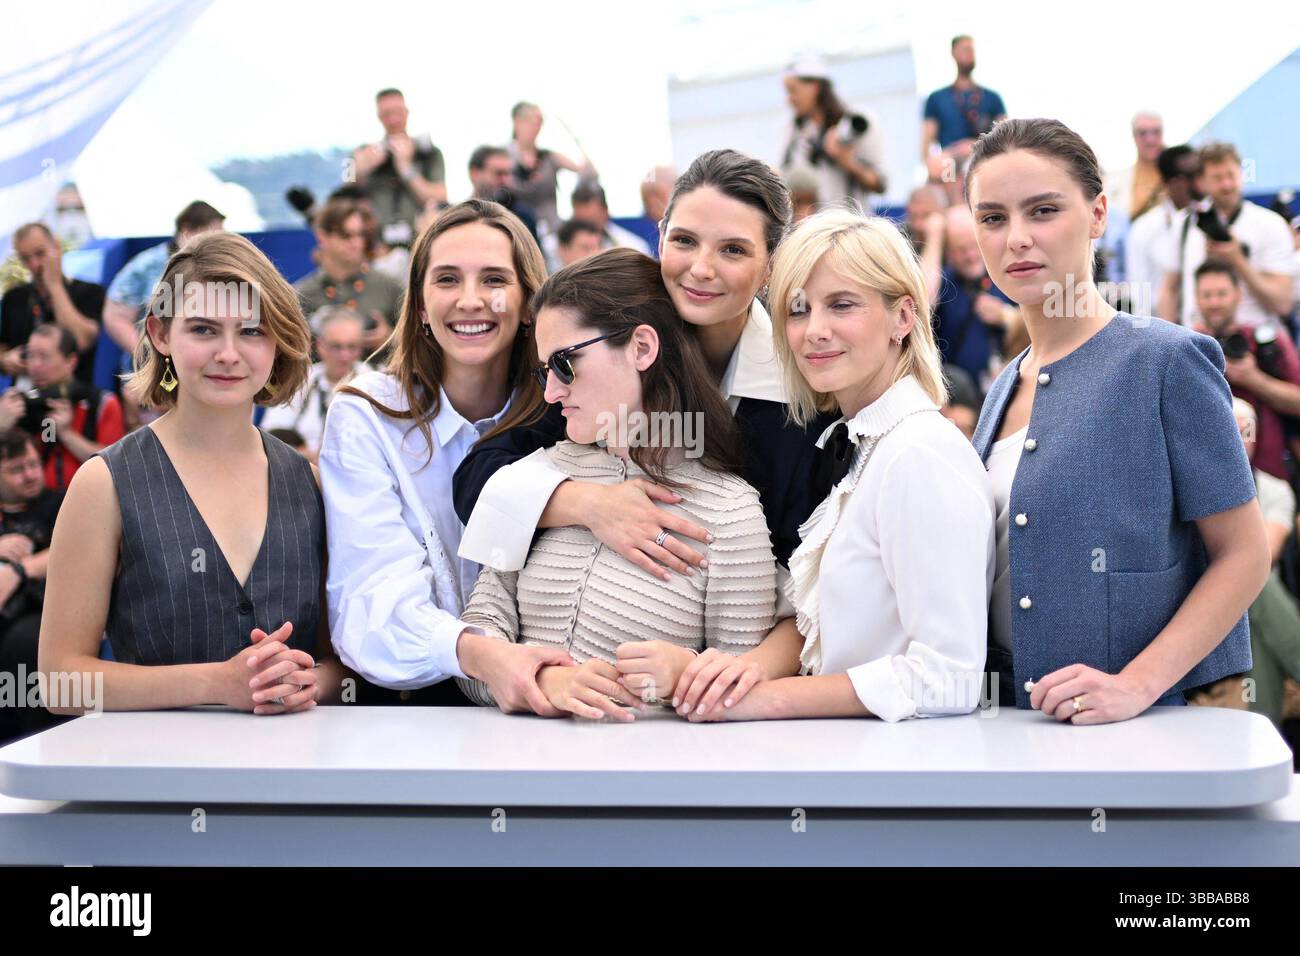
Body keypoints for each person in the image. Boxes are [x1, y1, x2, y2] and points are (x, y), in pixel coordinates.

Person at [454, 150, 832, 714]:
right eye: (683, 240)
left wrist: (718, 676)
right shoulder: (603, 343)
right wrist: (589, 503)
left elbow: (808, 596)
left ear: (773, 263)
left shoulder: (799, 401)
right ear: (658, 236)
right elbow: (477, 479)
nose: (700, 269)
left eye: (733, 249)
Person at [965, 118, 1269, 722]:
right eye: (993, 218)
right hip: (1007, 728)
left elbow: (1244, 554)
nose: (1017, 238)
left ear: (1098, 215)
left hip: (1136, 735)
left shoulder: (1166, 359)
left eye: (1043, 211)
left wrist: (1136, 684)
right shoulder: (1003, 385)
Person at [677, 210, 993, 723]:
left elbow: (950, 677)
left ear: (904, 317)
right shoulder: (862, 444)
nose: (814, 331)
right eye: (798, 310)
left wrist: (758, 701)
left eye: (841, 305)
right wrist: (740, 674)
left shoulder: (918, 454)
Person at [38, 232, 346, 715]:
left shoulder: (310, 483)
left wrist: (310, 682)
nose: (228, 353)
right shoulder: (105, 482)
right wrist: (217, 683)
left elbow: (340, 662)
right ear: (161, 334)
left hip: (295, 775)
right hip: (154, 780)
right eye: (203, 329)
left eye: (251, 330)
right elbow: (59, 683)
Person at [319, 199, 573, 711]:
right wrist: (485, 657)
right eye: (448, 280)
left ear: (529, 303)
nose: (471, 300)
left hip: (558, 702)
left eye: (495, 280)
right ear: (418, 305)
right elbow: (370, 608)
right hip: (414, 716)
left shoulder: (573, 411)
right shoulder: (366, 416)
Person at [1158, 142, 1295, 328]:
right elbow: (1169, 289)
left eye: (1231, 175)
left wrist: (1238, 260)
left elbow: (1283, 304)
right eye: (1217, 177)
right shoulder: (1183, 224)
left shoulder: (1270, 224)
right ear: (1201, 181)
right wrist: (1168, 340)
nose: (1227, 184)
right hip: (1198, 341)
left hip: (1254, 344)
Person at [1191, 258, 1300, 482]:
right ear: (1196, 299)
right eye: (1207, 295)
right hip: (1208, 479)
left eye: (1221, 294)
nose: (1214, 302)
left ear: (1238, 295)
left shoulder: (1269, 342)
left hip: (1270, 477)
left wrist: (1255, 380)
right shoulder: (1188, 347)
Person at [0, 324, 125, 491]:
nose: (35, 365)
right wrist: (2, 426)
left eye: (44, 357)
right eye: (30, 356)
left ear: (70, 362)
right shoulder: (22, 406)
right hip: (38, 507)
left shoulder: (101, 403)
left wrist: (67, 434)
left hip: (91, 499)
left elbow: (116, 465)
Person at [0, 429, 65, 741]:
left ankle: (30, 744)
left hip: (43, 609)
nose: (29, 475)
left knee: (29, 644)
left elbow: (75, 550)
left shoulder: (60, 503)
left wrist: (19, 570)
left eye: (32, 464)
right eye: (15, 470)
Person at [101, 201, 225, 362]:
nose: (216, 244)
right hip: (152, 369)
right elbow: (115, 316)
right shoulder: (146, 265)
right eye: (210, 236)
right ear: (186, 230)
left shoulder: (220, 268)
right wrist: (147, 355)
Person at [919, 206, 1018, 393]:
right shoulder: (944, 280)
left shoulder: (1006, 274)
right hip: (955, 396)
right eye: (961, 250)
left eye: (975, 246)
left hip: (1004, 388)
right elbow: (921, 300)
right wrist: (934, 239)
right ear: (948, 252)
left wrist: (1006, 316)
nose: (971, 256)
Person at [295, 196, 403, 356]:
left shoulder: (390, 287)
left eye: (360, 234)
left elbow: (421, 337)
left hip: (379, 374)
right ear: (322, 236)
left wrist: (390, 339)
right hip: (318, 379)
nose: (356, 242)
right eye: (346, 235)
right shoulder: (301, 294)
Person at [1, 223, 104, 386]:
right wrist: (6, 360)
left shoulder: (90, 292)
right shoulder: (14, 298)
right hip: (23, 398)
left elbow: (81, 340)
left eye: (40, 253)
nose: (35, 265)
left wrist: (54, 286)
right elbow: (3, 346)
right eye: (26, 258)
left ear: (56, 246)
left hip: (73, 397)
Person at [780, 55, 887, 210]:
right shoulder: (794, 130)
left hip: (850, 227)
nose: (789, 99)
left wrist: (848, 162)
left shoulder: (857, 122)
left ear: (815, 87)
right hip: (810, 229)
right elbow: (786, 177)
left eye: (793, 90)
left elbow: (881, 184)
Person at [260, 307, 366, 459]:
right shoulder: (300, 378)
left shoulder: (376, 382)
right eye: (336, 346)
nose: (345, 355)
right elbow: (271, 432)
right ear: (320, 346)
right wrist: (303, 456)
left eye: (352, 347)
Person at [350, 88, 447, 249]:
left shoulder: (431, 153)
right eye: (387, 114)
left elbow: (441, 196)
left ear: (407, 113)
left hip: (419, 241)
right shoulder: (362, 152)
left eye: (398, 112)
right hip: (376, 246)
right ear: (379, 117)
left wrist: (406, 167)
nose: (393, 119)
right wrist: (360, 171)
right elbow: (343, 188)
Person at [921, 35, 1006, 198]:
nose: (969, 53)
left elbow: (1006, 135)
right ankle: (951, 205)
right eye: (964, 49)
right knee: (946, 174)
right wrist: (932, 164)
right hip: (949, 162)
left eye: (972, 50)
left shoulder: (992, 97)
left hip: (983, 157)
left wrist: (974, 145)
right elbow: (926, 145)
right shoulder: (937, 98)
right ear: (953, 53)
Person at [1125, 145, 1200, 318]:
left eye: (1200, 173)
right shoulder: (1144, 229)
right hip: (1163, 331)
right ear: (1172, 182)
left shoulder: (1211, 219)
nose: (1199, 181)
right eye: (1191, 176)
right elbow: (1140, 297)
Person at [506, 102, 596, 235]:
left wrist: (574, 137)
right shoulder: (502, 158)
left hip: (550, 230)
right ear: (517, 122)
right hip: (516, 230)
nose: (536, 126)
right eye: (531, 120)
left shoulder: (550, 157)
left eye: (540, 121)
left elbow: (590, 172)